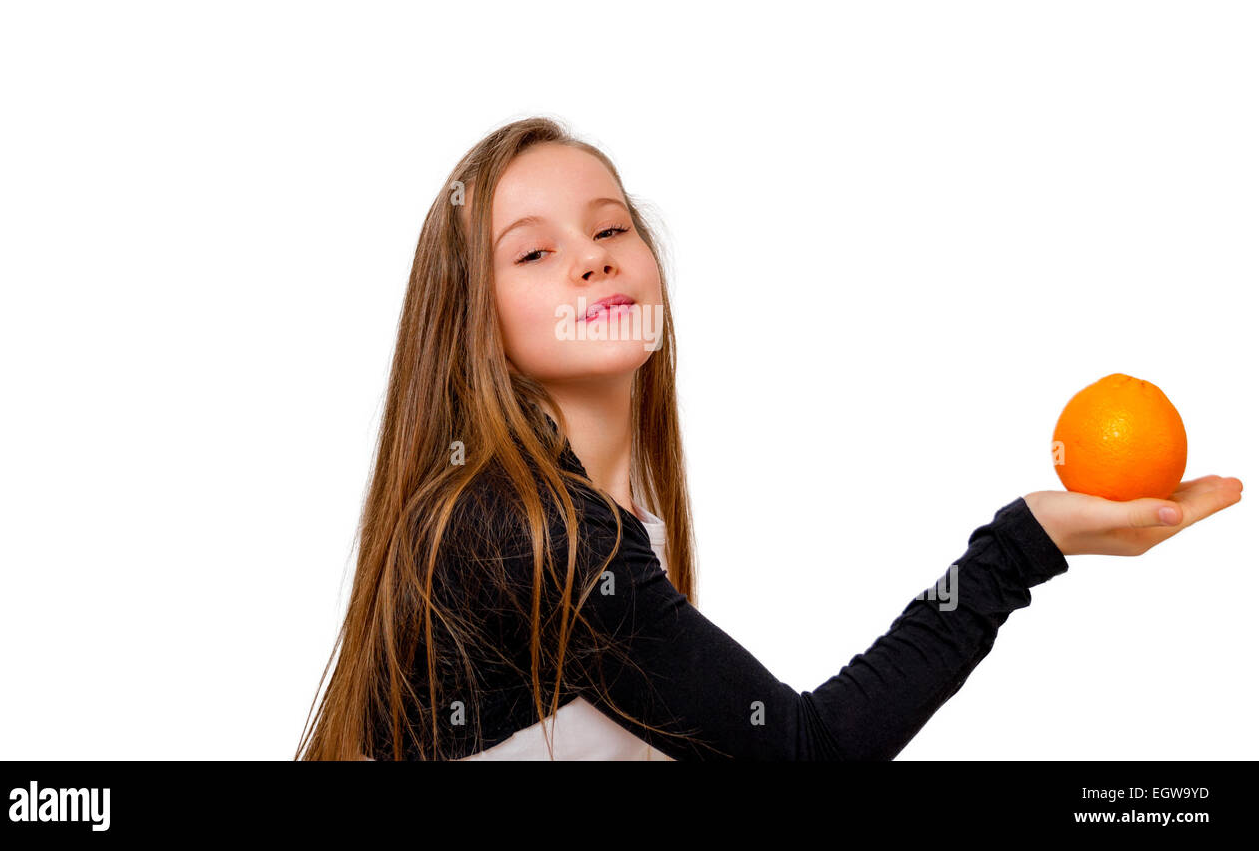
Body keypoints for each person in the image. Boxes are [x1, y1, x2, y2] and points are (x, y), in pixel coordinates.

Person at [295, 116, 1244, 761]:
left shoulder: (608, 517)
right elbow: (802, 753)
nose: (592, 257)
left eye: (612, 228)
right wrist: (1019, 548)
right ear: (473, 321)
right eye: (535, 251)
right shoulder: (524, 530)